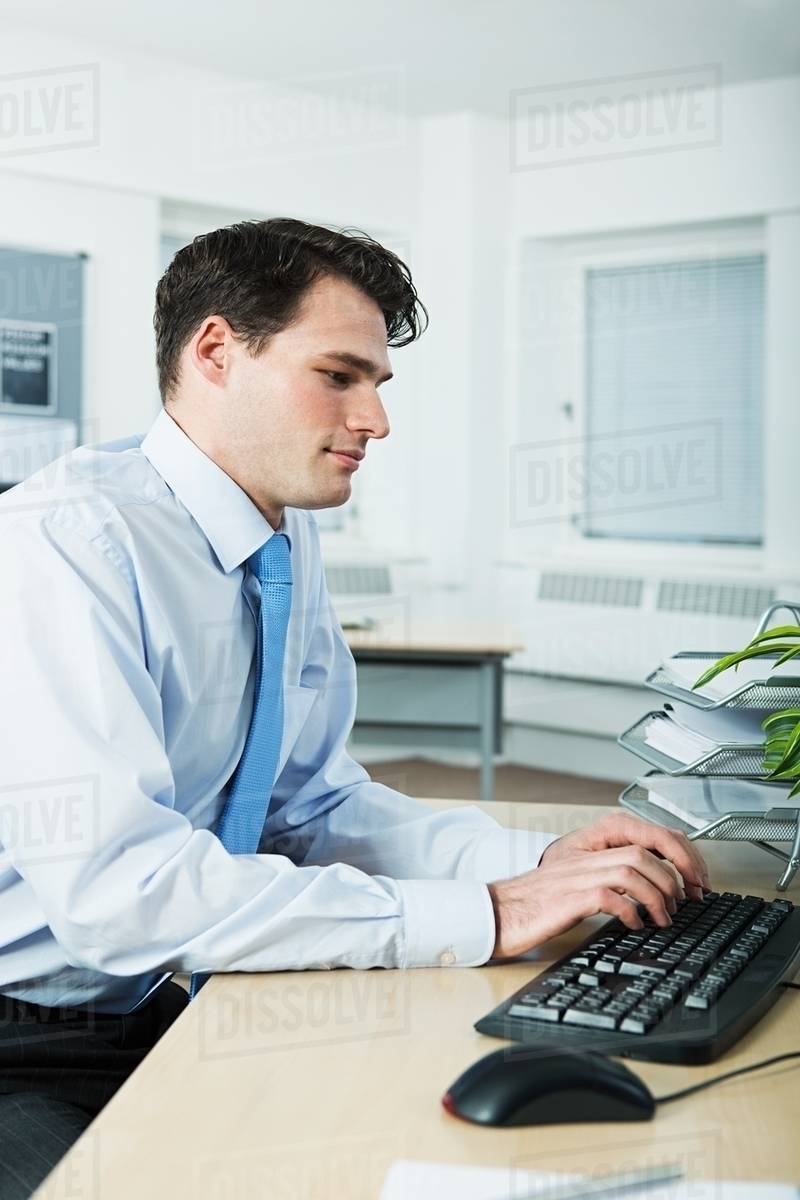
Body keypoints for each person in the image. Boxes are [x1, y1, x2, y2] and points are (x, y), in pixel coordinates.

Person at [0, 218, 709, 1196]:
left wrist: (533, 863)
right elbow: (123, 896)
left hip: (157, 991)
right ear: (215, 352)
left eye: (377, 383)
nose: (374, 419)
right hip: (22, 1037)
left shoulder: (279, 531)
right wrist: (483, 912)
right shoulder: (65, 546)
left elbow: (309, 808)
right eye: (338, 376)